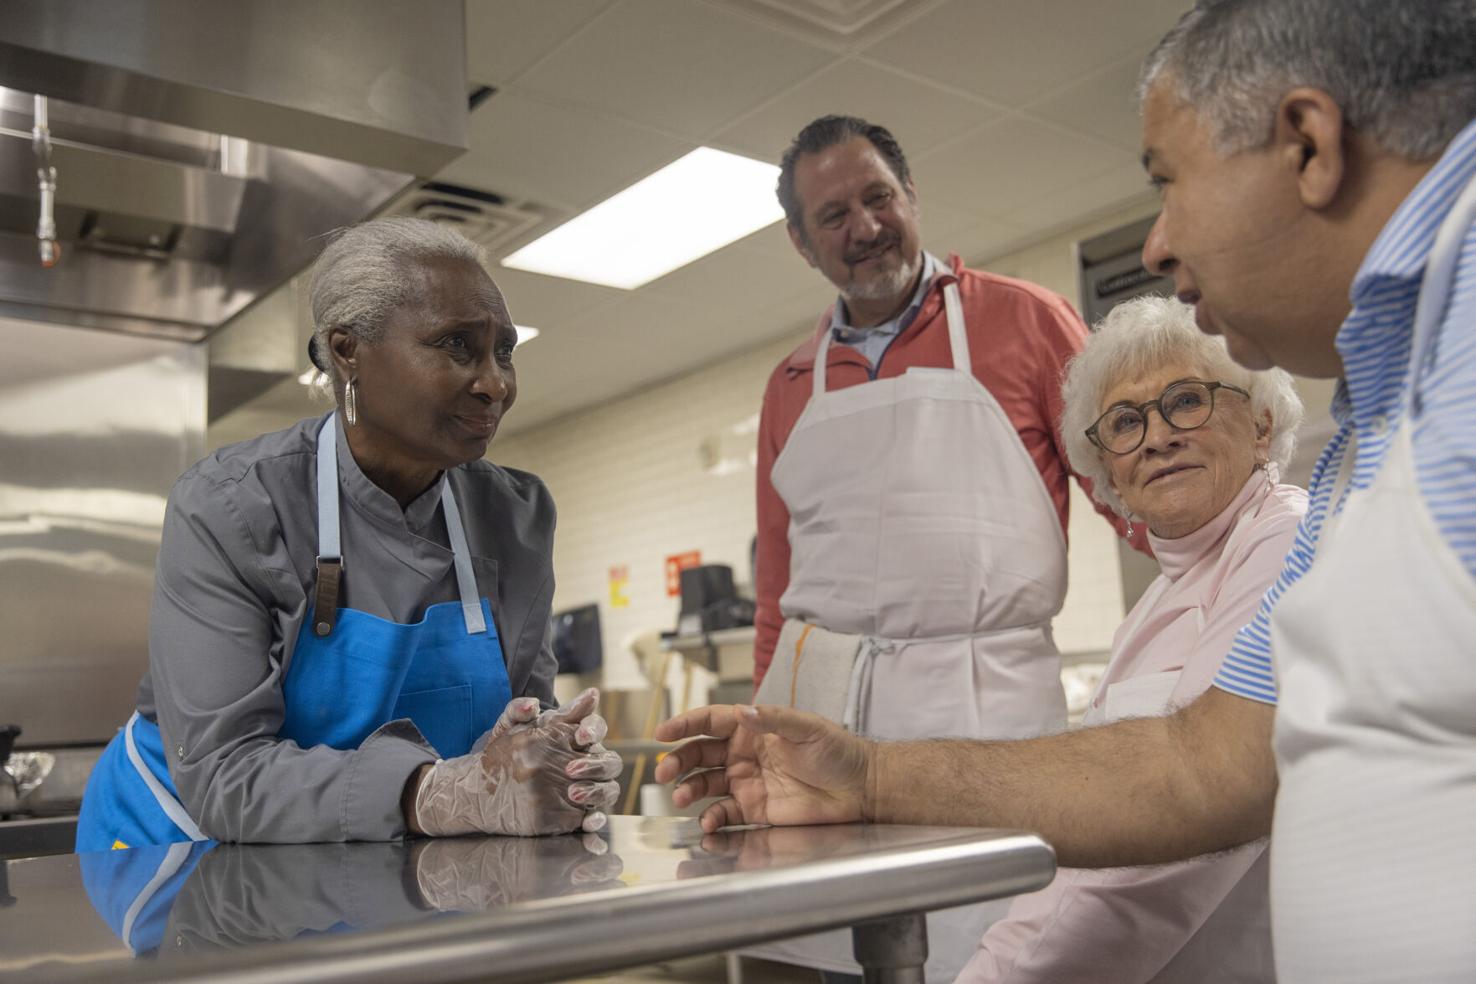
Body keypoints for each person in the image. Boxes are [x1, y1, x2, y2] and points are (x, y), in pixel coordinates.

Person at [658, 2, 1476, 981]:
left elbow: (1184, 808)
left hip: (987, 695)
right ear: (803, 244)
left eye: (1170, 183)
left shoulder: (1045, 337)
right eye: (1124, 426)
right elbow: (1198, 768)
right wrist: (863, 771)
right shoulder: (1369, 432)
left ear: (1307, 144)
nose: (1160, 246)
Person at [77, 217, 621, 852]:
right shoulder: (231, 505)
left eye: (504, 351)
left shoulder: (516, 515)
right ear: (347, 351)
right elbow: (225, 776)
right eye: (455, 346)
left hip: (384, 854)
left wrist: (553, 761)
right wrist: (436, 793)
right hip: (183, 853)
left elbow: (522, 715)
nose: (496, 383)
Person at [751, 114, 1141, 981]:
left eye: (878, 197)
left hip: (989, 709)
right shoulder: (788, 384)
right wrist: (764, 731)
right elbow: (779, 590)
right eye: (833, 216)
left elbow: (1130, 494)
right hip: (831, 714)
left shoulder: (1027, 320)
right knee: (846, 957)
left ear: (912, 195)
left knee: (1004, 952)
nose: (864, 228)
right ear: (800, 242)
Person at [960, 295, 1304, 984]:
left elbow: (1176, 838)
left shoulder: (1287, 544)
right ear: (1109, 473)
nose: (1156, 436)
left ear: (1262, 425)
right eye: (1124, 422)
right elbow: (1096, 842)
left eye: (1185, 401)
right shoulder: (1159, 600)